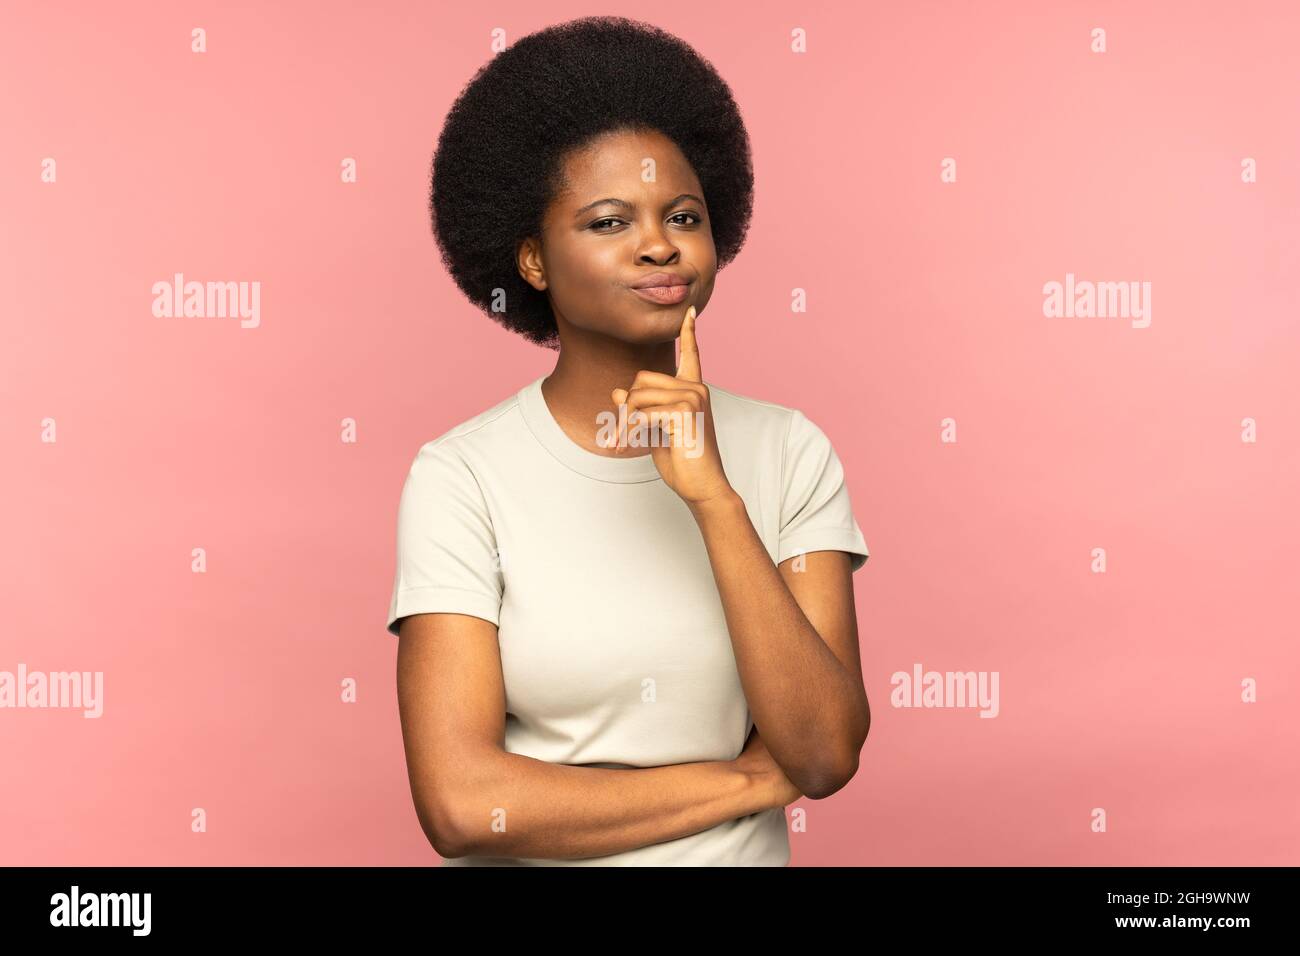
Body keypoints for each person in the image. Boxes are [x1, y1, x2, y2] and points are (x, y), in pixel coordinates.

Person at [386, 16, 871, 866]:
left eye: (683, 214)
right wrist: (751, 783)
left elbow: (824, 752)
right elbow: (463, 804)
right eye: (610, 222)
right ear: (533, 260)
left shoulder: (789, 452)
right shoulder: (463, 476)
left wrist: (713, 497)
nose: (659, 244)